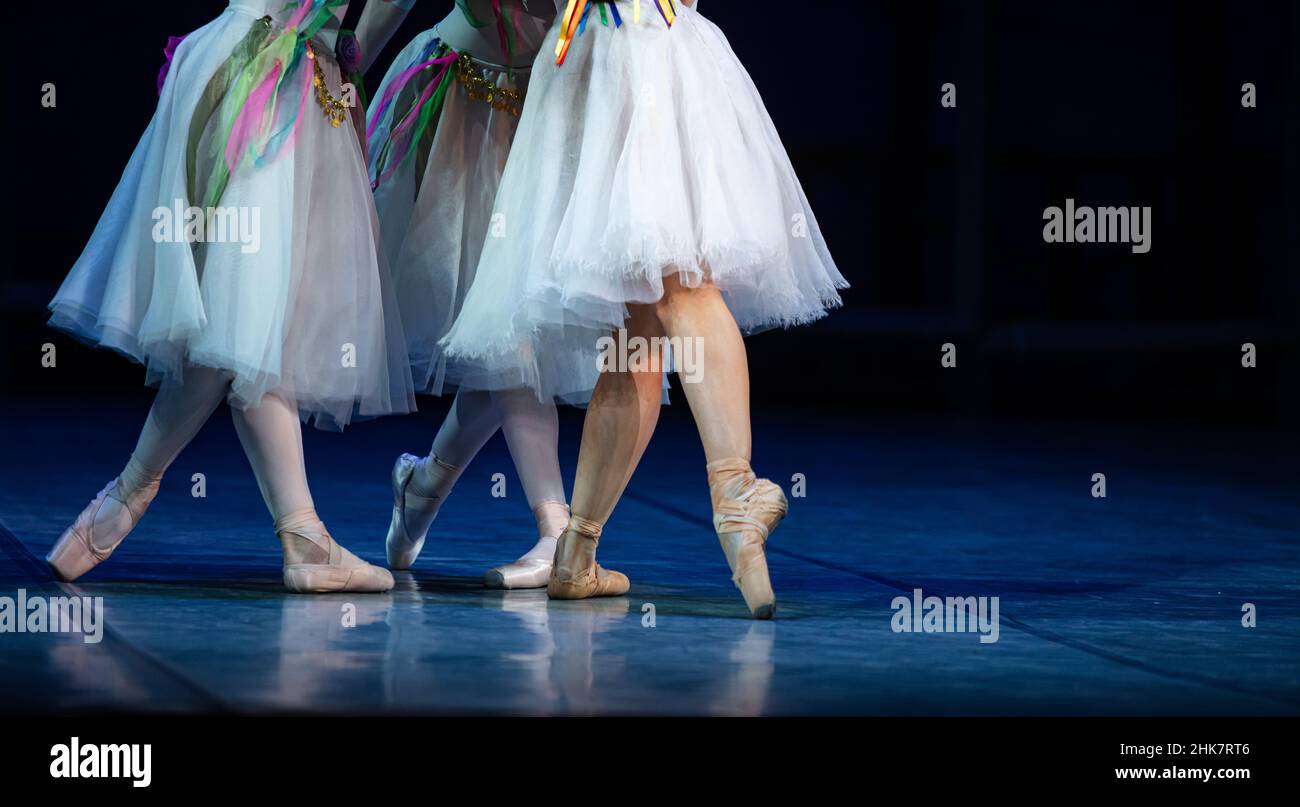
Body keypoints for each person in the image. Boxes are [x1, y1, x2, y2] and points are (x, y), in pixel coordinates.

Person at [439, 0, 848, 617]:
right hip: (646, 50)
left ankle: (577, 551)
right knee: (682, 280)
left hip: (589, 60)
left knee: (640, 322)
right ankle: (734, 492)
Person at [45, 0, 414, 593]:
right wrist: (351, 52)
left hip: (237, 53)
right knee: (246, 315)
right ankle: (136, 500)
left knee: (253, 315)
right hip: (275, 78)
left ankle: (298, 534)